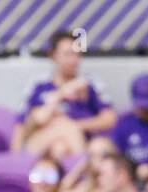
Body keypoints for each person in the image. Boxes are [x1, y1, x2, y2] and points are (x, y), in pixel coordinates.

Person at [12, 31, 115, 159]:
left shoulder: (90, 83)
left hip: (80, 141)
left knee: (60, 147)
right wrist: (14, 158)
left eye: (77, 54)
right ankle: (82, 169)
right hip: (42, 141)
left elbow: (109, 119)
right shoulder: (38, 85)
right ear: (53, 55)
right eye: (67, 54)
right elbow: (24, 123)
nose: (73, 60)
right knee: (59, 138)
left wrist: (76, 125)